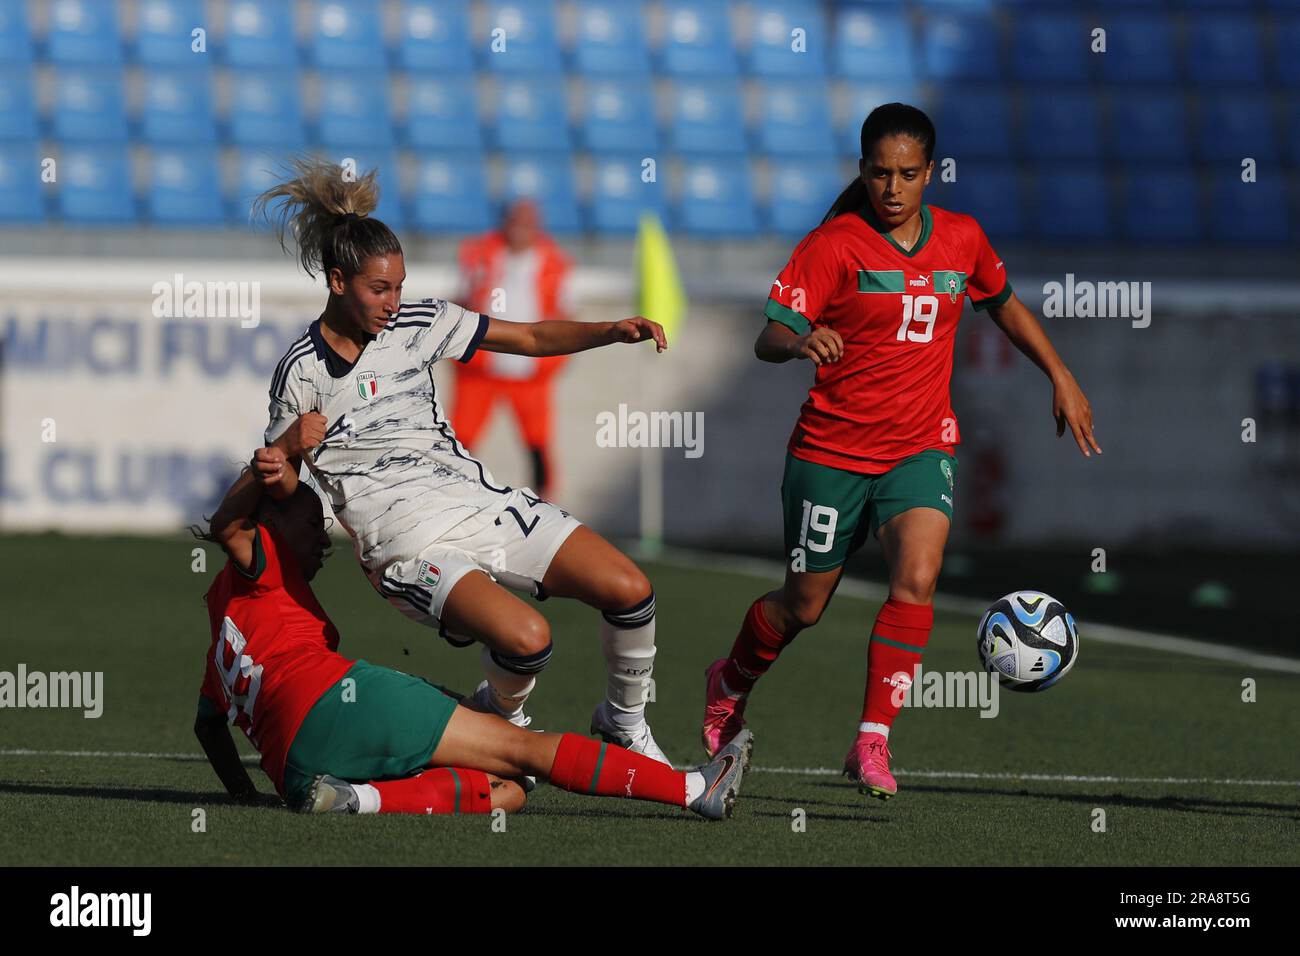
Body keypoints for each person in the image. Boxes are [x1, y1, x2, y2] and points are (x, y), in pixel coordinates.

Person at [700, 103, 1101, 801]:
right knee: (803, 607)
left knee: (917, 575)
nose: (892, 187)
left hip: (918, 447)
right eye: (880, 173)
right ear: (863, 171)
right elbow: (768, 336)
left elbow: (1003, 302)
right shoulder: (834, 245)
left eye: (908, 174)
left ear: (931, 174)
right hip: (829, 452)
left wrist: (1060, 374)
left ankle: (872, 741)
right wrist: (798, 342)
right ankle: (729, 680)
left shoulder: (963, 238)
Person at [251, 158, 672, 763]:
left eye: (399, 286)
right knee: (530, 641)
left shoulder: (421, 321)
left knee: (630, 589)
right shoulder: (300, 371)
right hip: (407, 546)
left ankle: (623, 721)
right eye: (379, 289)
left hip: (482, 505)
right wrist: (288, 450)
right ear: (338, 281)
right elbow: (281, 480)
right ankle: (500, 725)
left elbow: (526, 338)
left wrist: (610, 330)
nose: (394, 301)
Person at [193, 440, 751, 819]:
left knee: (509, 793)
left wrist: (244, 794)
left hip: (295, 769)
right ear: (269, 527)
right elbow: (228, 526)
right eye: (312, 527)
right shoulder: (262, 564)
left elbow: (209, 727)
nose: (323, 542)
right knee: (524, 751)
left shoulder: (224, 625)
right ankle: (695, 789)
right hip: (334, 705)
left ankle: (356, 799)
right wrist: (281, 449)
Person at [453, 199, 574, 499]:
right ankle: (450, 498)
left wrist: (558, 358)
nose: (521, 229)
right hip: (482, 367)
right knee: (459, 440)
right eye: (516, 220)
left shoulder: (555, 264)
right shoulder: (479, 254)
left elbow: (566, 313)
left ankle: (545, 507)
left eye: (528, 222)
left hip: (530, 372)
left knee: (538, 444)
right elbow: (459, 298)